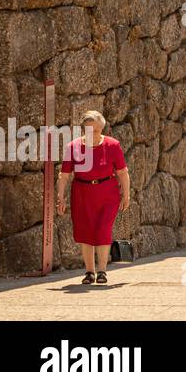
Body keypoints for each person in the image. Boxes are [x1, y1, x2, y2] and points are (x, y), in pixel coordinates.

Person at [56, 111, 130, 285]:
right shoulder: (73, 147)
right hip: (82, 193)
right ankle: (90, 272)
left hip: (107, 193)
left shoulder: (112, 145)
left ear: (102, 129)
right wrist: (61, 196)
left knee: (103, 229)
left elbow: (122, 172)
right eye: (89, 130)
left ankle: (102, 271)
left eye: (96, 130)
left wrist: (126, 194)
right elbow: (64, 175)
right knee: (85, 231)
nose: (93, 134)